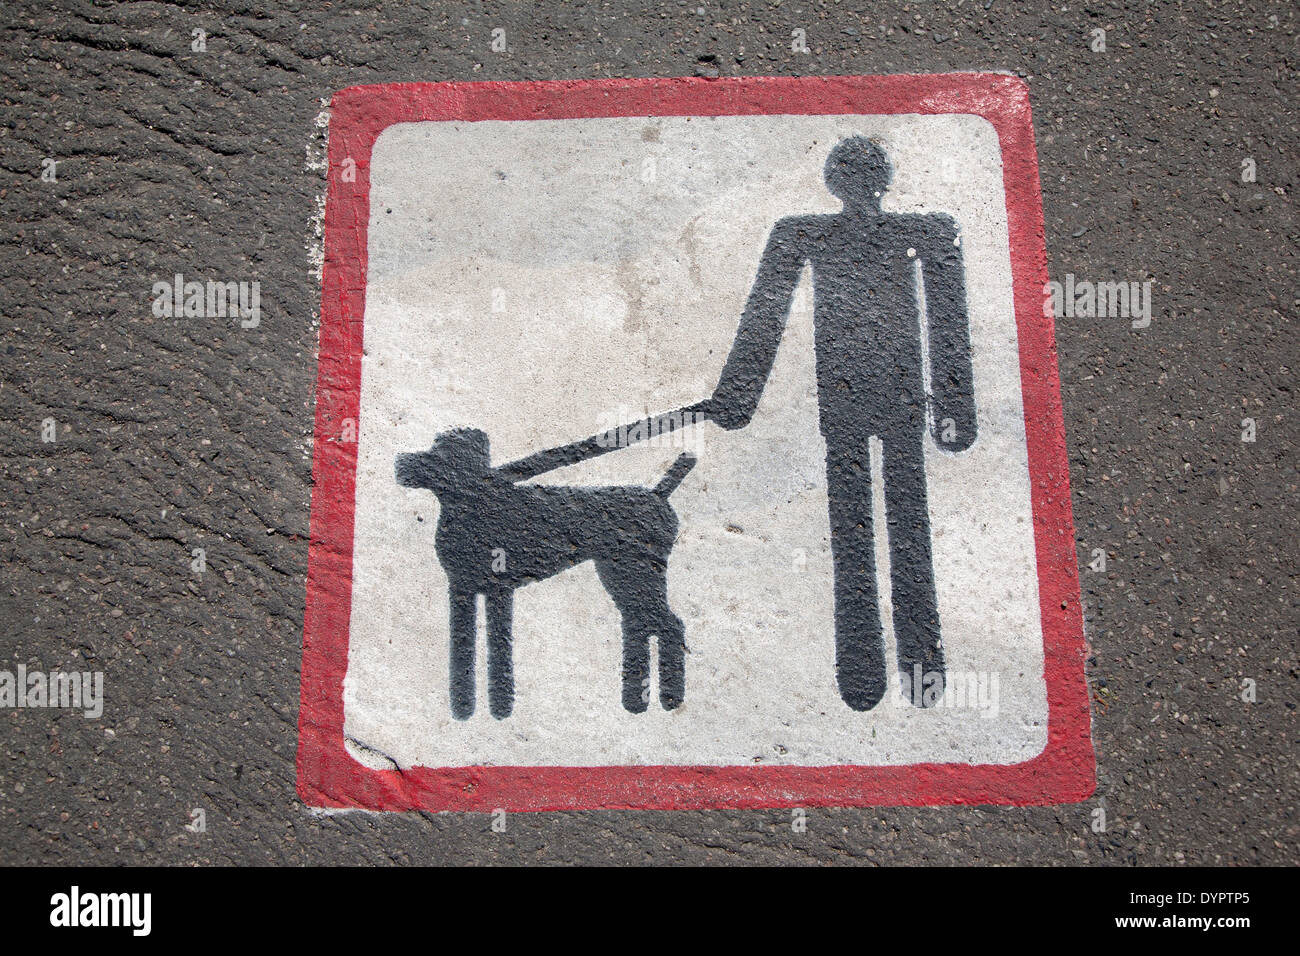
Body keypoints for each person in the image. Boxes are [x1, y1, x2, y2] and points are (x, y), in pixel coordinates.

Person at [695, 137, 977, 710]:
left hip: (856, 397)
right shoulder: (915, 232)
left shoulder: (814, 233)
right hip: (882, 398)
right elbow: (947, 314)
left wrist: (738, 396)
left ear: (834, 181)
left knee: (861, 529)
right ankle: (903, 666)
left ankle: (872, 669)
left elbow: (766, 314)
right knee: (902, 525)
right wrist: (954, 407)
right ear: (886, 179)